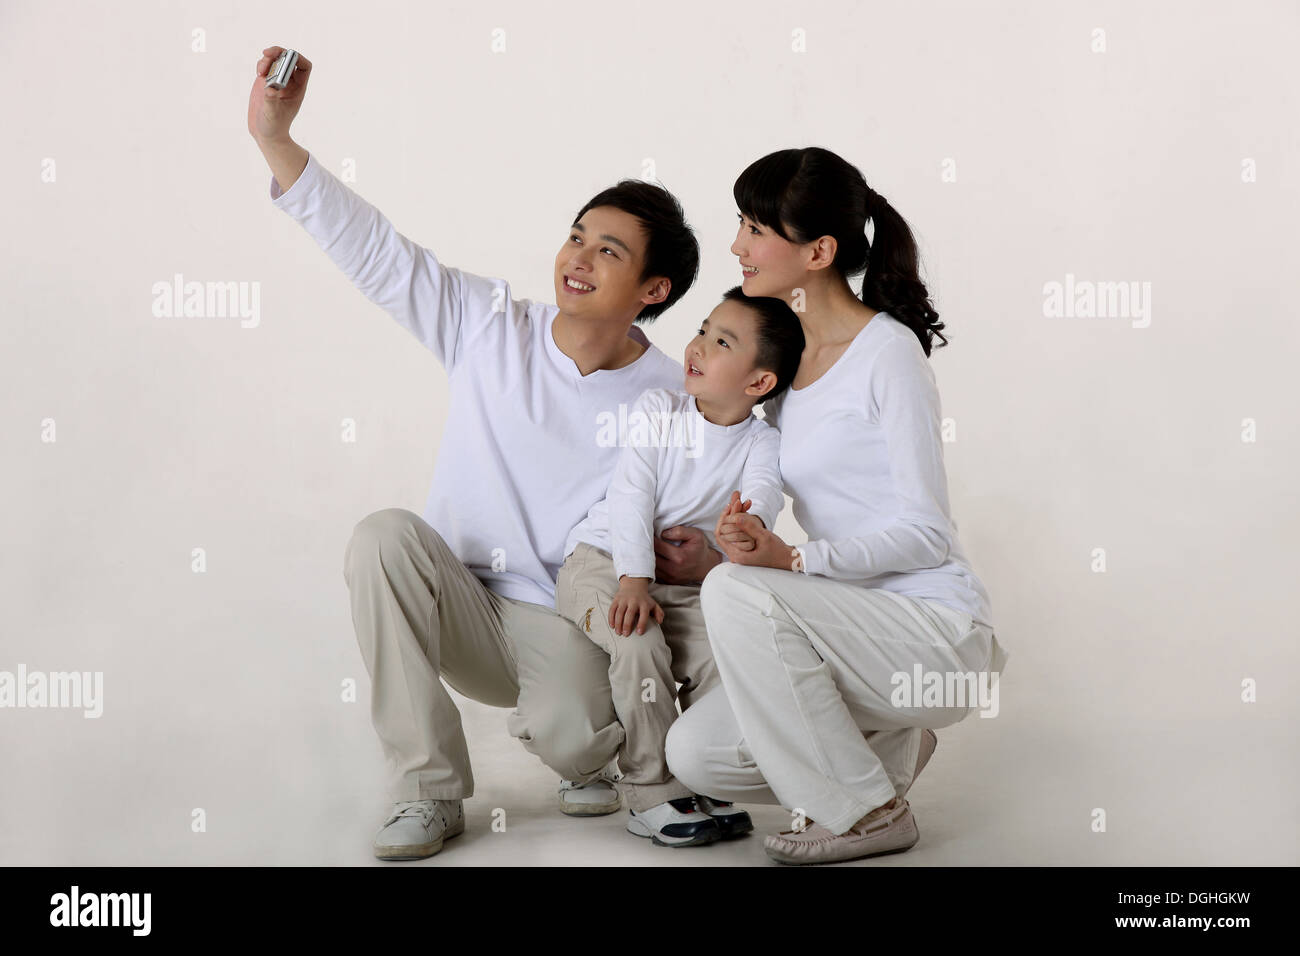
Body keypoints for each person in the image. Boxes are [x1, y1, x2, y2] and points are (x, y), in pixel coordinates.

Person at [246, 46, 710, 860]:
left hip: (561, 624)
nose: (578, 258)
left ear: (654, 290)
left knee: (579, 740)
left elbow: (689, 522)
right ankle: (427, 790)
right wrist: (277, 139)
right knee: (382, 534)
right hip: (458, 599)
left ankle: (581, 751)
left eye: (609, 251)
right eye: (577, 236)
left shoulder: (673, 398)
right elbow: (378, 254)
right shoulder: (490, 323)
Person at [664, 146, 1011, 865]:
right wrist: (747, 521)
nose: (738, 245)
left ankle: (867, 812)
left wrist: (795, 559)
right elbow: (765, 465)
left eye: (758, 229)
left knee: (740, 591)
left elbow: (925, 533)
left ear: (819, 251)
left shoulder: (888, 353)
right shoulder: (788, 368)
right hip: (851, 638)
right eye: (741, 222)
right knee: (695, 753)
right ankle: (891, 741)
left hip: (933, 635)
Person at [556, 287, 803, 846]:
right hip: (604, 561)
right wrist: (634, 579)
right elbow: (632, 495)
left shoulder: (762, 440)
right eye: (703, 329)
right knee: (638, 637)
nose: (698, 346)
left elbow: (763, 492)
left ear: (759, 383)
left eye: (722, 342)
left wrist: (747, 527)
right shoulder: (659, 409)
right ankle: (651, 789)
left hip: (680, 580)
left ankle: (699, 773)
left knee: (722, 650)